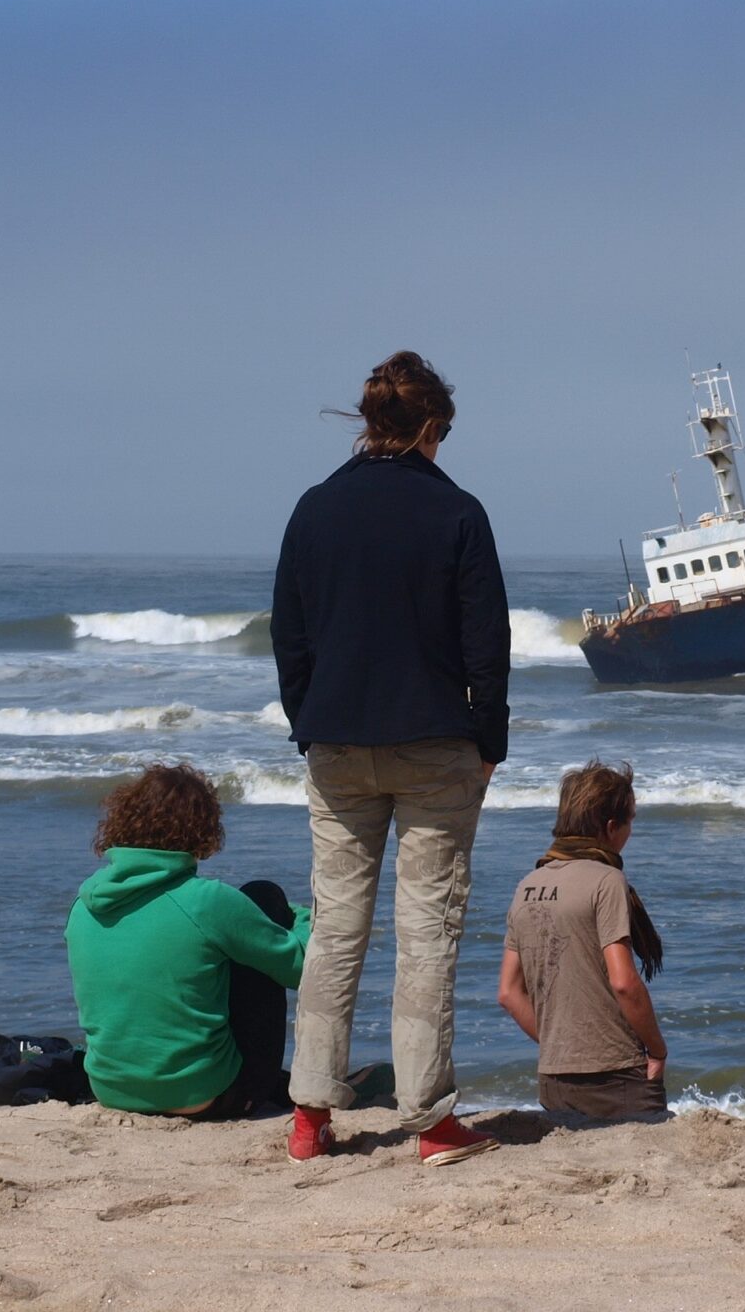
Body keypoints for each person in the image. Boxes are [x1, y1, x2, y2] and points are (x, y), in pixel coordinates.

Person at [272, 350, 511, 1165]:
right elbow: (488, 644)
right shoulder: (458, 514)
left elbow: (290, 635)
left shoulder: (313, 510)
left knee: (335, 928)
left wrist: (307, 718)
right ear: (431, 427)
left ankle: (310, 1113)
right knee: (427, 931)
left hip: (337, 742)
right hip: (436, 742)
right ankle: (429, 1120)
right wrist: (491, 741)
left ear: (371, 424)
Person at [65, 764, 310, 1118]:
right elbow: (302, 968)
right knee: (263, 896)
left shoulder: (82, 905)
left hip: (110, 1089)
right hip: (206, 1098)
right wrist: (303, 918)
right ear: (203, 830)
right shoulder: (207, 901)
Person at [498, 761, 669, 1121]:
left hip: (554, 1077)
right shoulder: (607, 881)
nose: (630, 833)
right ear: (610, 827)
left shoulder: (527, 886)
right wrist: (657, 1051)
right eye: (630, 821)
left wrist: (559, 1045)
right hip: (616, 1073)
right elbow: (623, 982)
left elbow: (509, 993)